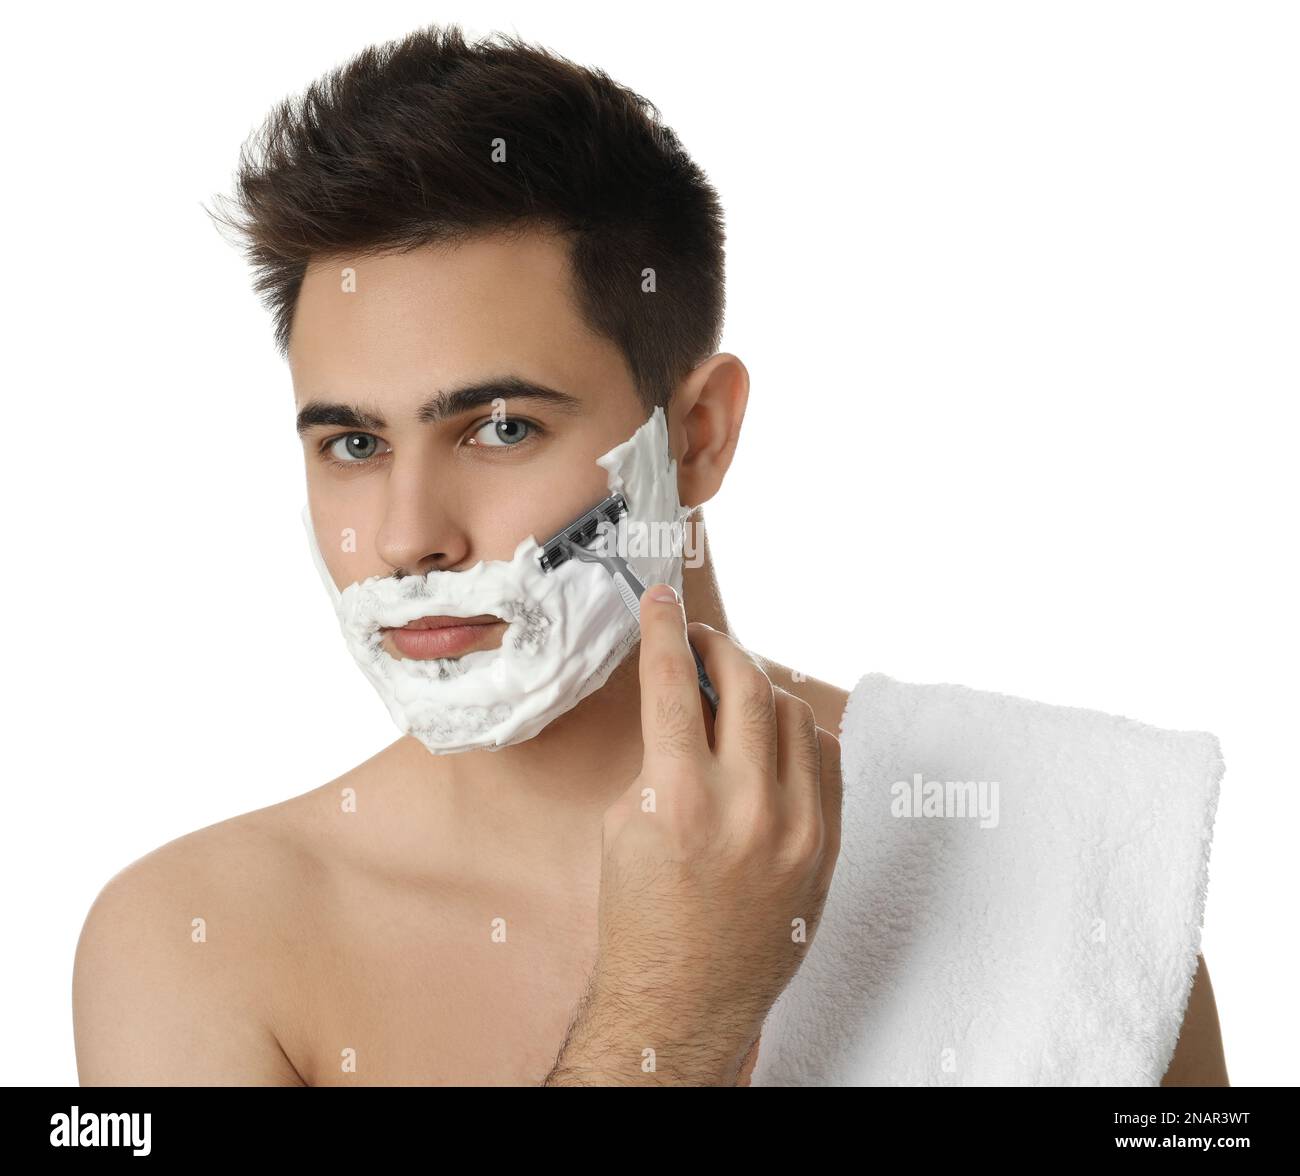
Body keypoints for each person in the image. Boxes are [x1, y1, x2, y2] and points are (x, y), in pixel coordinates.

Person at [71, 23, 1226, 1086]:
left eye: (501, 428)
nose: (405, 535)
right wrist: (674, 1007)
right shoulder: (197, 946)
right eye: (354, 443)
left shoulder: (1062, 847)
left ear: (697, 435)